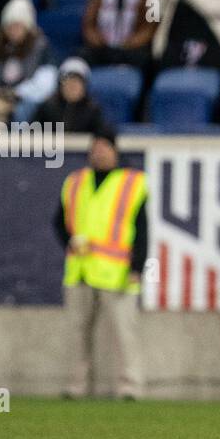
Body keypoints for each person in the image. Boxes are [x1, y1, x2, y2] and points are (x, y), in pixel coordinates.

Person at [54, 129, 147, 399]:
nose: (99, 152)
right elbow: (59, 221)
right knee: (77, 333)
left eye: (105, 147)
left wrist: (137, 267)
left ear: (115, 151)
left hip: (116, 272)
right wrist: (69, 241)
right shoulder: (75, 182)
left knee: (124, 334)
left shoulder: (132, 183)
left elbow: (142, 229)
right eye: (95, 147)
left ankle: (130, 387)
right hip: (80, 270)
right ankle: (76, 386)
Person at [33, 58, 109, 133]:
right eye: (69, 82)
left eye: (77, 83)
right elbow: (30, 133)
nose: (72, 87)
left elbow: (105, 133)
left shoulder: (92, 109)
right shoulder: (48, 107)